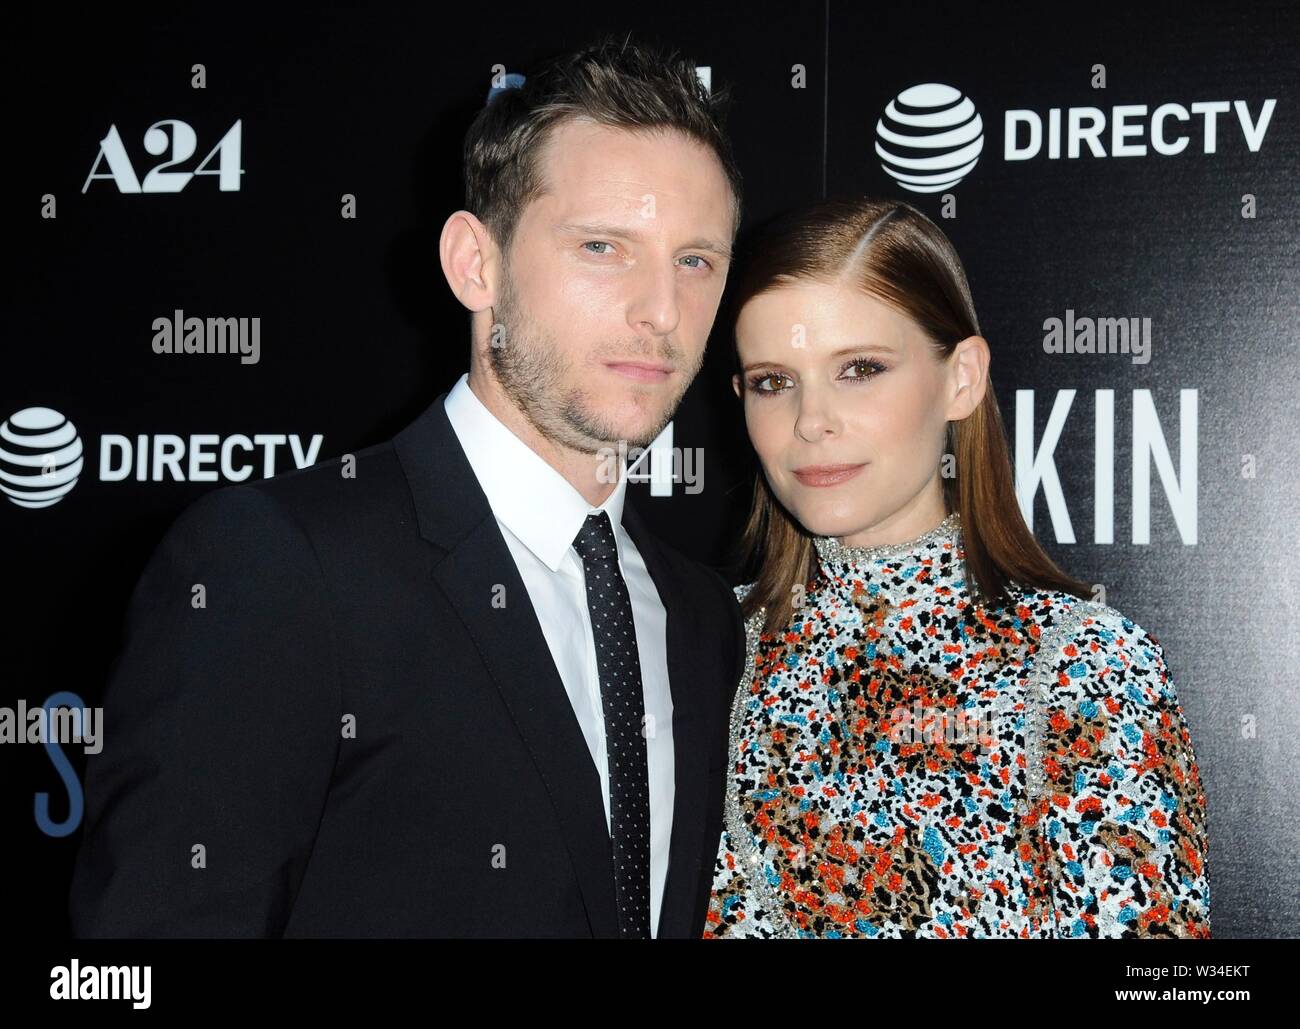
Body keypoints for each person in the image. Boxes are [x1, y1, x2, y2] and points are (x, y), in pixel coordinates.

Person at [69, 34, 746, 938]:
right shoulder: (282, 566)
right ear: (476, 264)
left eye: (695, 261)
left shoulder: (699, 617)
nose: (661, 311)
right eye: (602, 246)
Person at [704, 197, 1210, 939]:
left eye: (859, 368)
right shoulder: (698, 650)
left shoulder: (1083, 666)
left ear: (962, 378)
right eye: (775, 380)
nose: (811, 420)